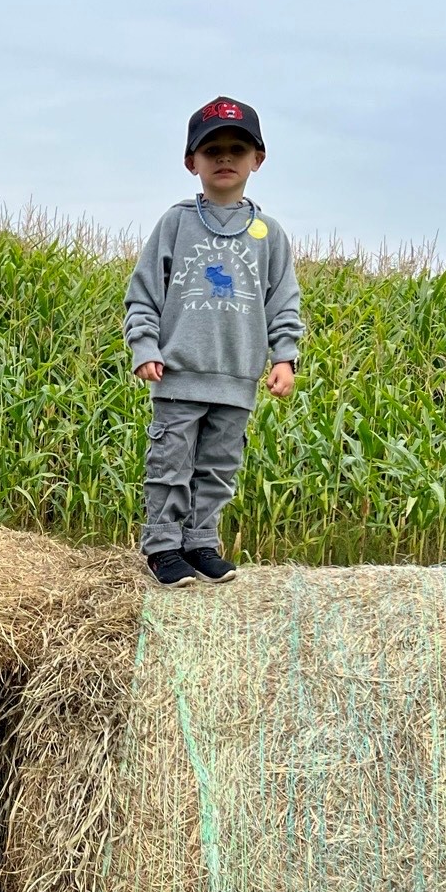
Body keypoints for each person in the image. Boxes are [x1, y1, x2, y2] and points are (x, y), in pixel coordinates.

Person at [123, 97, 304, 587]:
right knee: (170, 463)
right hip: (179, 376)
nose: (225, 158)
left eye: (236, 149)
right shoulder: (177, 223)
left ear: (256, 160)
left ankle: (201, 542)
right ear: (192, 162)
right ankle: (163, 547)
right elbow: (142, 294)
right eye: (212, 150)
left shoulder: (269, 235)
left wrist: (284, 357)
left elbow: (283, 300)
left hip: (237, 380)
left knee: (219, 467)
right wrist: (145, 346)